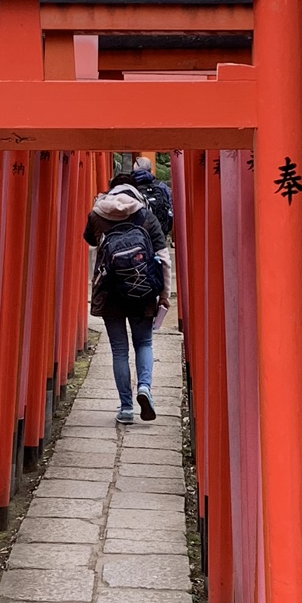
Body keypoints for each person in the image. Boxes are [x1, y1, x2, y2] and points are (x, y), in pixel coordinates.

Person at [84, 181, 170, 423]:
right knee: (143, 343)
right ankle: (144, 387)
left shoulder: (97, 215)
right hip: (142, 291)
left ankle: (126, 408)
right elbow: (163, 258)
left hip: (110, 291)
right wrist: (164, 294)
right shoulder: (146, 217)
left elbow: (90, 240)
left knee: (119, 350)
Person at [111, 153, 174, 238]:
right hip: (158, 232)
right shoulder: (161, 186)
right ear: (150, 170)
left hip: (136, 235)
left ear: (134, 170)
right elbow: (170, 210)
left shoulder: (128, 187)